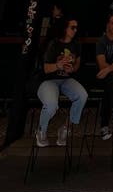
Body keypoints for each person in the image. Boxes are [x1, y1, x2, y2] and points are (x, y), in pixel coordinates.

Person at [35, 18, 88, 147]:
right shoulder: (53, 44)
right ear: (65, 28)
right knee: (51, 104)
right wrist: (58, 65)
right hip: (48, 80)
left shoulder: (76, 44)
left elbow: (77, 64)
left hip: (66, 79)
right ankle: (41, 130)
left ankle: (66, 128)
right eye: (72, 27)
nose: (75, 30)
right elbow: (46, 68)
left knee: (82, 96)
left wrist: (72, 69)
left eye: (76, 28)